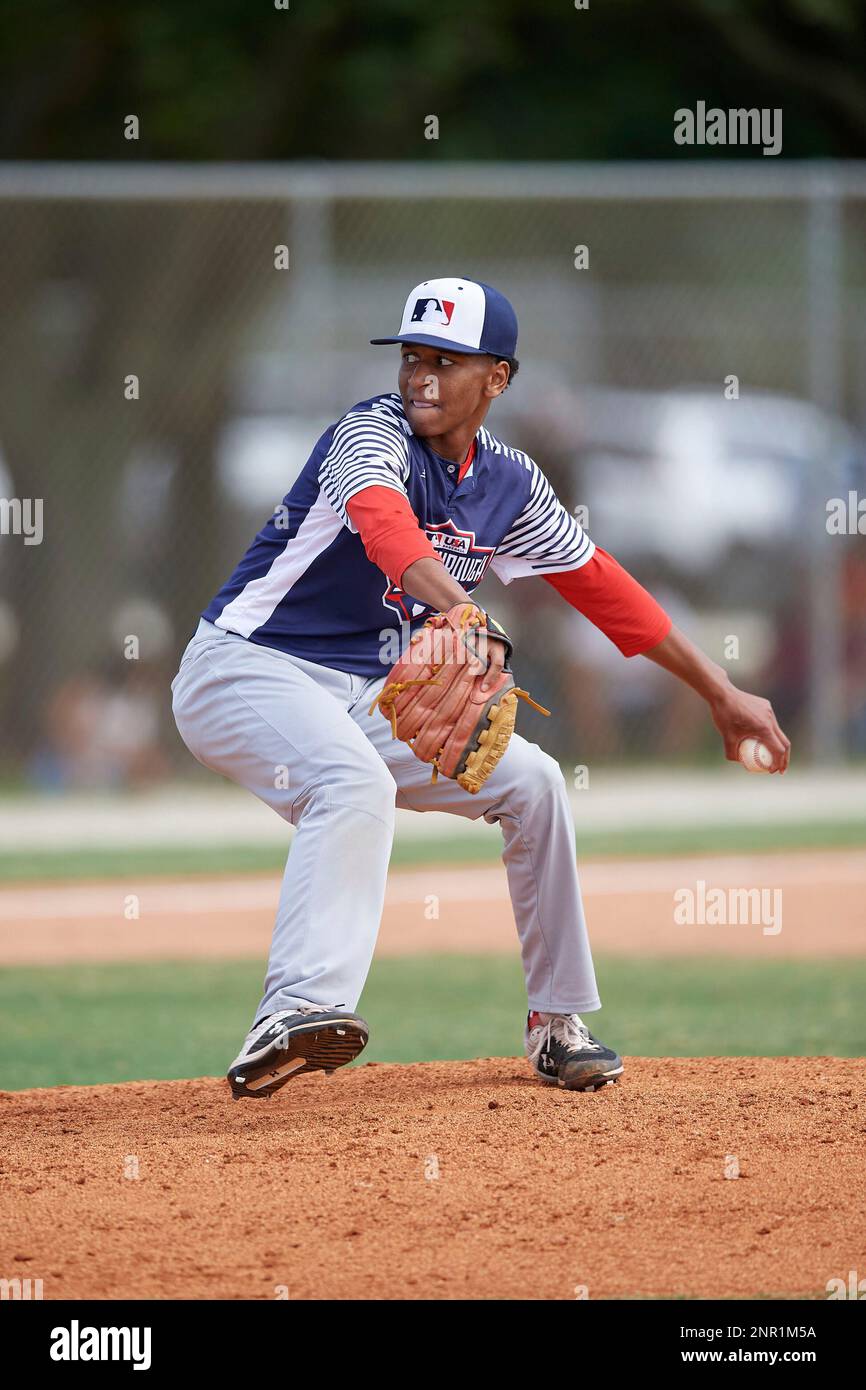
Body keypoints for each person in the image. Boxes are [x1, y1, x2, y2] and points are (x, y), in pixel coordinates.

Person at [170, 276, 790, 1100]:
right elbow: (385, 525)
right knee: (350, 782)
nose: (420, 375)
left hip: (357, 697)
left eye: (446, 361)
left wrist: (719, 690)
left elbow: (601, 583)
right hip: (245, 668)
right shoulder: (368, 435)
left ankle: (556, 1023)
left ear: (498, 377)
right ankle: (294, 1012)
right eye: (413, 357)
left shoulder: (510, 484)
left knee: (533, 783)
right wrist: (462, 604)